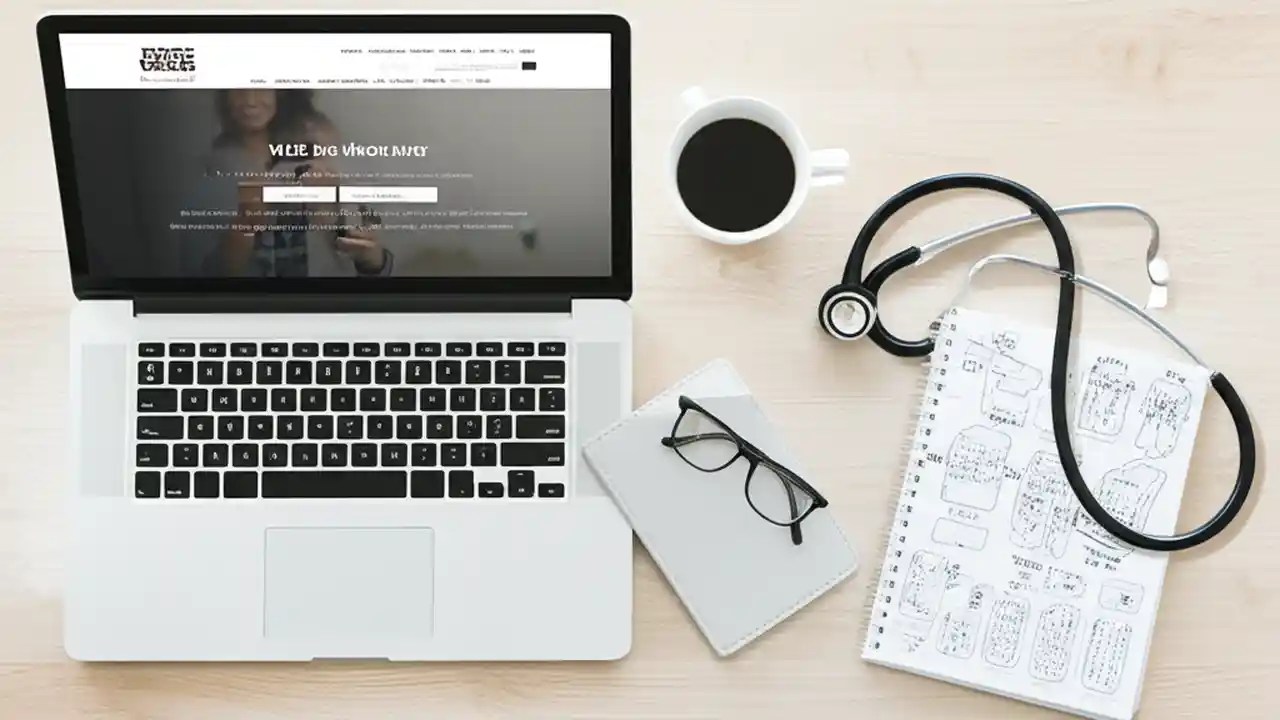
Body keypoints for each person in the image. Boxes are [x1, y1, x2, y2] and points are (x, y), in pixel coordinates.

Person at [184, 89, 390, 276]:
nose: (251, 100)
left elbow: (369, 258)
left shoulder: (315, 146)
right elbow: (204, 277)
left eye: (262, 86)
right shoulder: (211, 173)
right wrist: (246, 224)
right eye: (239, 89)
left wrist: (333, 204)